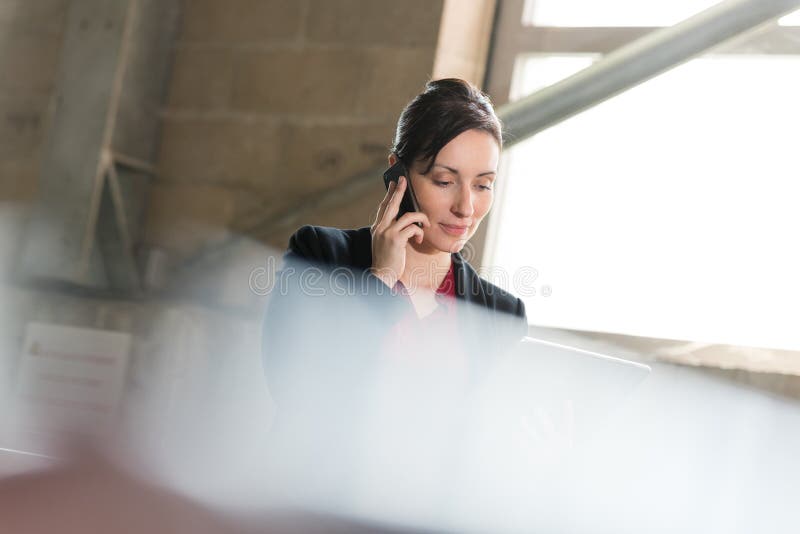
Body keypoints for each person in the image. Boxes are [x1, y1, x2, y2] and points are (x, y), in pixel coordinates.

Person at [259, 79, 530, 509]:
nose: (466, 207)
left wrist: (534, 454)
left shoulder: (502, 314)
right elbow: (296, 391)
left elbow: (480, 457)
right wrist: (380, 282)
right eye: (444, 180)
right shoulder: (320, 255)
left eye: (483, 185)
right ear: (398, 175)